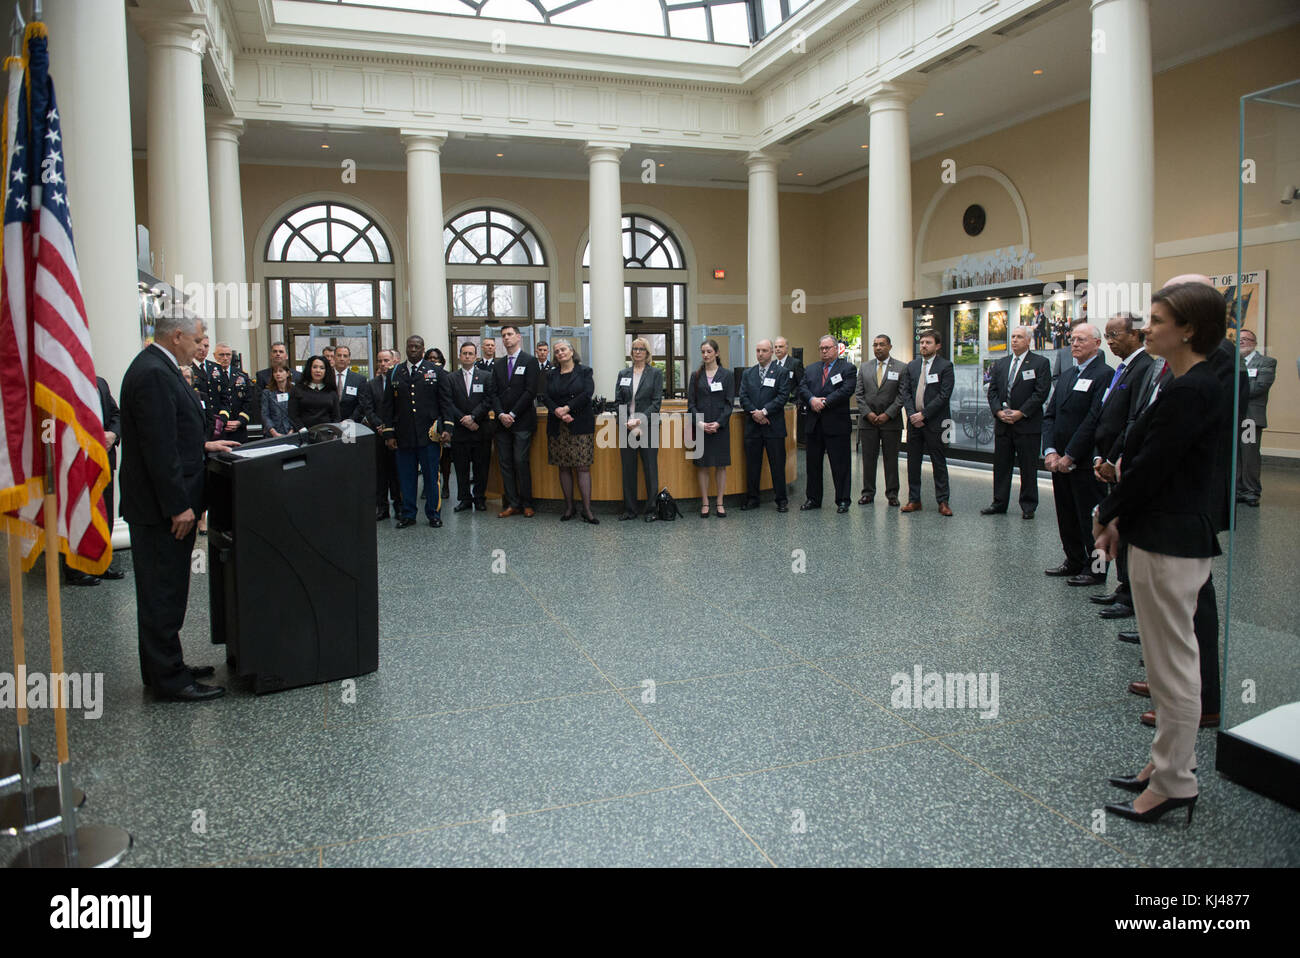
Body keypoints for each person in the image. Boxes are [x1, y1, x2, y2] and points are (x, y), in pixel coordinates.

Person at [1093, 282, 1226, 826]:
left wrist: (1108, 511)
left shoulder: (1195, 388)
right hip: (1158, 533)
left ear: (1189, 328)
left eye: (1156, 319)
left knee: (1174, 667)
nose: (1146, 328)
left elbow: (1153, 465)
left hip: (1172, 540)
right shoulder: (1180, 380)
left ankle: (1175, 781)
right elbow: (1141, 447)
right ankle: (1167, 763)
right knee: (1168, 662)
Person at [119, 308, 237, 701]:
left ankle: (163, 666)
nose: (202, 344)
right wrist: (179, 506)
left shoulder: (158, 367)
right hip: (162, 510)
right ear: (176, 337)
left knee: (164, 590)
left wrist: (204, 445)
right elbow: (158, 448)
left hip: (164, 503)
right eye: (198, 337)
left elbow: (171, 431)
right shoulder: (154, 373)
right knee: (162, 592)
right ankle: (170, 681)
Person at [1084, 314, 1153, 619]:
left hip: (1124, 463)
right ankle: (1122, 587)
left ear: (1136, 335)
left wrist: (1113, 459)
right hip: (1108, 459)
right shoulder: (1122, 369)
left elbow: (1133, 421)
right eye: (1108, 336)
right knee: (1115, 527)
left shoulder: (1145, 368)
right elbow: (1105, 416)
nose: (1110, 342)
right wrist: (1100, 457)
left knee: (1125, 529)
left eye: (1115, 336)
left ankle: (1129, 595)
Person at [1042, 324, 1111, 583]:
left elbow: (1094, 419)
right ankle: (1073, 560)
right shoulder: (1068, 375)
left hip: (1083, 462)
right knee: (1066, 515)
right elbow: (1050, 415)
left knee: (1089, 518)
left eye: (1081, 340)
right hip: (1058, 462)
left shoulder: (1105, 374)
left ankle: (1096, 570)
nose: (1075, 344)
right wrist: (1050, 451)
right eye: (1072, 340)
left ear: (1097, 343)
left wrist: (1070, 454)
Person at [382, 335, 453, 528]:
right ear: (405, 348)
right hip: (403, 434)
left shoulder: (436, 371)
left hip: (428, 434)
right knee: (406, 477)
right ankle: (408, 514)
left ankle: (434, 514)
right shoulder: (395, 372)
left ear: (423, 349)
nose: (413, 350)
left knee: (431, 477)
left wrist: (447, 428)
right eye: (410, 346)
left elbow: (445, 402)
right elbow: (388, 406)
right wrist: (389, 433)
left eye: (417, 347)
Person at [983, 325, 1051, 518]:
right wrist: (998, 411)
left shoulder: (1040, 363)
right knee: (1001, 466)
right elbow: (992, 391)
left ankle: (1028, 506)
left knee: (1028, 467)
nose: (1014, 340)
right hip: (1003, 424)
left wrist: (1021, 412)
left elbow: (1041, 393)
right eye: (1012, 336)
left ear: (1028, 340)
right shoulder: (1001, 364)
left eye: (1019, 337)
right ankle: (999, 503)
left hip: (1027, 425)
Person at [797, 336, 856, 513]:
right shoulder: (811, 369)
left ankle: (843, 500)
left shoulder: (847, 368)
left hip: (836, 424)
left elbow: (846, 390)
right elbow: (802, 388)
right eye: (821, 348)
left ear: (836, 349)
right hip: (814, 424)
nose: (824, 351)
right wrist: (812, 400)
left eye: (827, 348)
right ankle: (813, 498)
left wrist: (824, 402)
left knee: (840, 465)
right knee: (813, 465)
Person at [899, 329, 955, 515]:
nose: (923, 345)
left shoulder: (945, 366)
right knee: (913, 463)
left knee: (938, 463)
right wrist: (912, 414)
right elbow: (905, 392)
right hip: (914, 423)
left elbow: (944, 395)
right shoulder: (912, 366)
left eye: (928, 342)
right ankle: (914, 500)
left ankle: (943, 502)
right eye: (922, 342)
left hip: (935, 423)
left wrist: (924, 415)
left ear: (937, 346)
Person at [543, 340, 598, 523]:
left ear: (571, 351)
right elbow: (546, 396)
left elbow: (587, 393)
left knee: (582, 467)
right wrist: (558, 412)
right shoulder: (550, 374)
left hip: (580, 423)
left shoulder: (584, 371)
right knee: (563, 466)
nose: (560, 353)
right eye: (557, 351)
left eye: (563, 349)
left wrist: (567, 408)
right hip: (558, 426)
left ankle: (587, 510)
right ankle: (569, 508)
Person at [492, 324, 542, 518]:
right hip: (501, 423)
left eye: (510, 334)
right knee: (505, 463)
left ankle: (527, 503)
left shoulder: (529, 361)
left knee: (520, 461)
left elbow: (530, 391)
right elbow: (493, 393)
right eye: (503, 335)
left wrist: (512, 414)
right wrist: (500, 414)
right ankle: (512, 503)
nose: (506, 338)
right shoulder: (498, 364)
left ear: (518, 337)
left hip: (521, 421)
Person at [738, 338, 791, 512]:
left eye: (764, 351)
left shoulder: (781, 372)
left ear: (771, 352)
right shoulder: (748, 373)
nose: (760, 354)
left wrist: (765, 412)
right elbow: (743, 396)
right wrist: (755, 413)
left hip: (773, 426)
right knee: (752, 465)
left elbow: (782, 396)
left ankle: (781, 500)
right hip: (753, 427)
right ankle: (753, 498)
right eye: (758, 351)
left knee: (777, 465)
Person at [614, 337, 664, 521]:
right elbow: (618, 401)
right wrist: (628, 421)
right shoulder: (623, 373)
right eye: (634, 348)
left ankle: (651, 510)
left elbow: (656, 402)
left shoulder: (655, 374)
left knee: (650, 468)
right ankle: (630, 509)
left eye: (641, 349)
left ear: (647, 352)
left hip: (648, 427)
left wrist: (639, 421)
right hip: (626, 427)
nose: (637, 352)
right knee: (628, 469)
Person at [854, 334, 906, 507]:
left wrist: (887, 414)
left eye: (882, 344)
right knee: (868, 459)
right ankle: (868, 493)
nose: (878, 348)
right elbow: (859, 394)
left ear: (889, 346)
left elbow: (902, 396)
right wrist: (868, 413)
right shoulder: (865, 367)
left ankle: (892, 494)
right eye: (875, 344)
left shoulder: (901, 368)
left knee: (891, 459)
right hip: (868, 422)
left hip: (891, 422)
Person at [687, 338, 734, 517]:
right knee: (703, 466)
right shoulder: (696, 376)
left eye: (709, 351)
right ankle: (705, 503)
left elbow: (729, 403)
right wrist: (700, 423)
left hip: (720, 427)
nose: (705, 355)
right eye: (703, 352)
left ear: (716, 353)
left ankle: (720, 502)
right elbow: (690, 404)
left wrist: (719, 423)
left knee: (721, 466)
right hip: (701, 427)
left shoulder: (727, 375)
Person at [448, 342, 494, 512]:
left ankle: (480, 498)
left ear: (476, 356)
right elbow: (448, 402)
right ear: (460, 356)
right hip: (460, 431)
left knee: (481, 467)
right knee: (461, 467)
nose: (467, 356)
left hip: (480, 429)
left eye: (470, 353)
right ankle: (464, 499)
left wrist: (474, 417)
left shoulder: (486, 376)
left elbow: (488, 400)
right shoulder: (451, 378)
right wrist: (464, 419)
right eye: (464, 353)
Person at [1235, 328, 1273, 507]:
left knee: (1249, 453)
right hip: (1234, 416)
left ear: (1254, 342)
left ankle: (1251, 491)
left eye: (1245, 339)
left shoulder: (1266, 362)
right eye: (1239, 339)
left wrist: (1234, 392)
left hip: (1250, 418)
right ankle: (1237, 489)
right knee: (1235, 454)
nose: (1241, 342)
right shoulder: (1233, 362)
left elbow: (1259, 387)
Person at [367, 349, 402, 521]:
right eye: (380, 361)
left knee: (396, 472)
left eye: (386, 360)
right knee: (380, 473)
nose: (383, 364)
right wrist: (379, 425)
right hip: (378, 435)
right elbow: (368, 409)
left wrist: (390, 427)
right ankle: (382, 507)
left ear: (393, 361)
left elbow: (400, 409)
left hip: (396, 435)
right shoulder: (371, 384)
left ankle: (399, 506)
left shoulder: (399, 382)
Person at [208, 342, 253, 442]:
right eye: (221, 355)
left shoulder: (241, 374)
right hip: (218, 429)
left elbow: (248, 401)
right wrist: (222, 421)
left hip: (238, 428)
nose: (225, 358)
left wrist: (240, 421)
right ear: (214, 356)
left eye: (228, 355)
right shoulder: (209, 375)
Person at [288, 355, 341, 429]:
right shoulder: (297, 389)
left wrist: (331, 431)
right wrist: (302, 430)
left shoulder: (331, 391)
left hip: (327, 435)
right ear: (309, 369)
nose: (318, 370)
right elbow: (292, 414)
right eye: (315, 367)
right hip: (303, 434)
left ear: (326, 371)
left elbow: (336, 417)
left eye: (322, 368)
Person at [331, 345, 374, 424]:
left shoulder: (359, 379)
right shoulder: (326, 376)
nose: (342, 358)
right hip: (329, 422)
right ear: (333, 358)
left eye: (345, 356)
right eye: (339, 355)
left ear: (349, 360)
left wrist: (351, 419)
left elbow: (361, 403)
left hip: (351, 423)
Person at [260, 365, 295, 438]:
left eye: (281, 371)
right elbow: (265, 414)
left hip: (292, 431)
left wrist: (292, 430)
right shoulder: (267, 392)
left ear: (287, 373)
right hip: (273, 433)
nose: (278, 374)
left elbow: (297, 413)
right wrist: (273, 432)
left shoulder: (294, 391)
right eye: (275, 372)